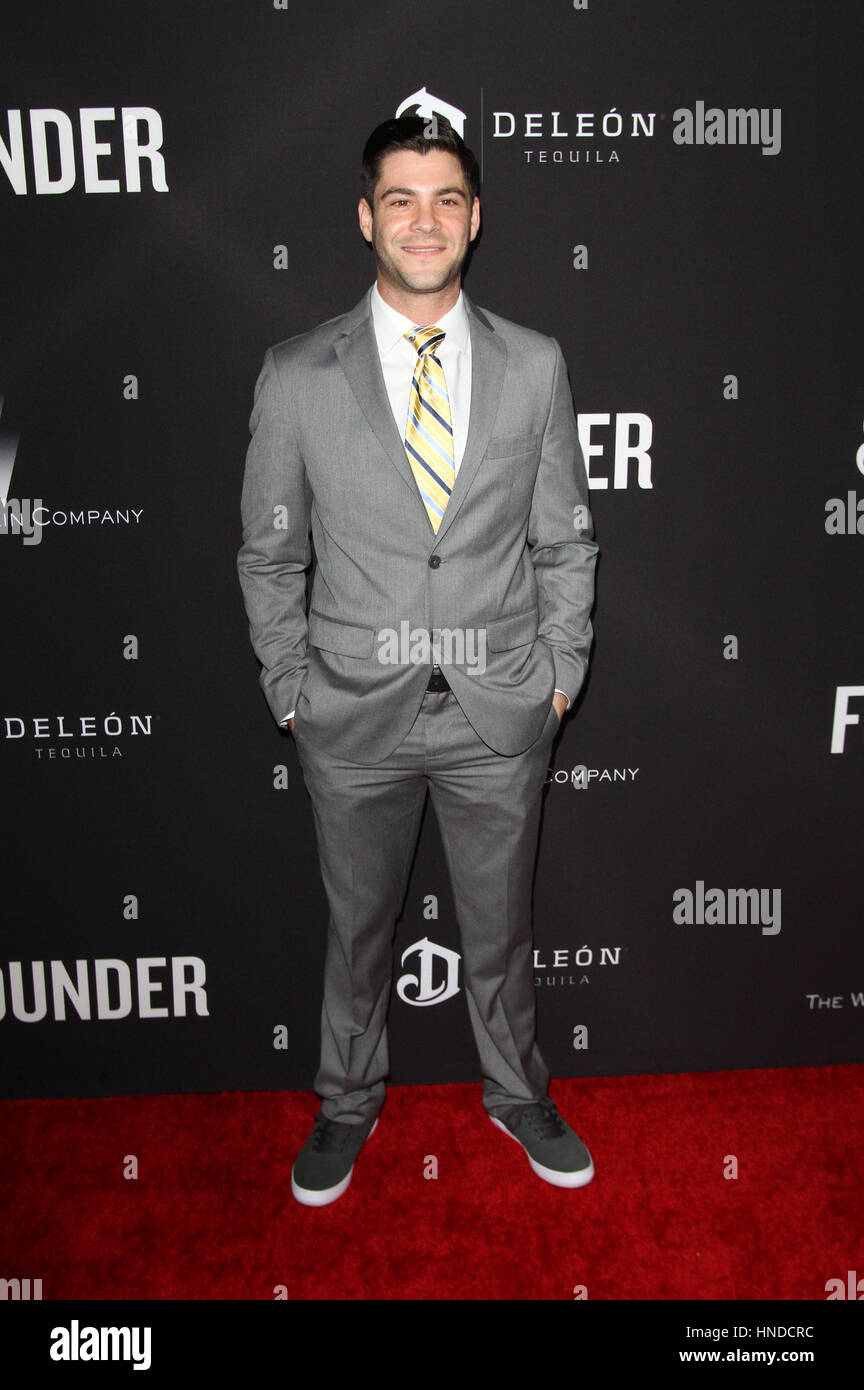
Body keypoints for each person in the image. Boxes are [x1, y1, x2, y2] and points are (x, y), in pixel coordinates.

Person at [237, 115, 598, 1206]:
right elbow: (269, 550)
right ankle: (345, 1103)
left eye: (446, 197)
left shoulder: (535, 365)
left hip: (499, 708)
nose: (425, 219)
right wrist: (291, 689)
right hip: (351, 713)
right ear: (366, 217)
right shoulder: (297, 375)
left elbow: (565, 536)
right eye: (401, 198)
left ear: (476, 218)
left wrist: (559, 672)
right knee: (357, 933)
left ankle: (516, 1092)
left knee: (501, 931)